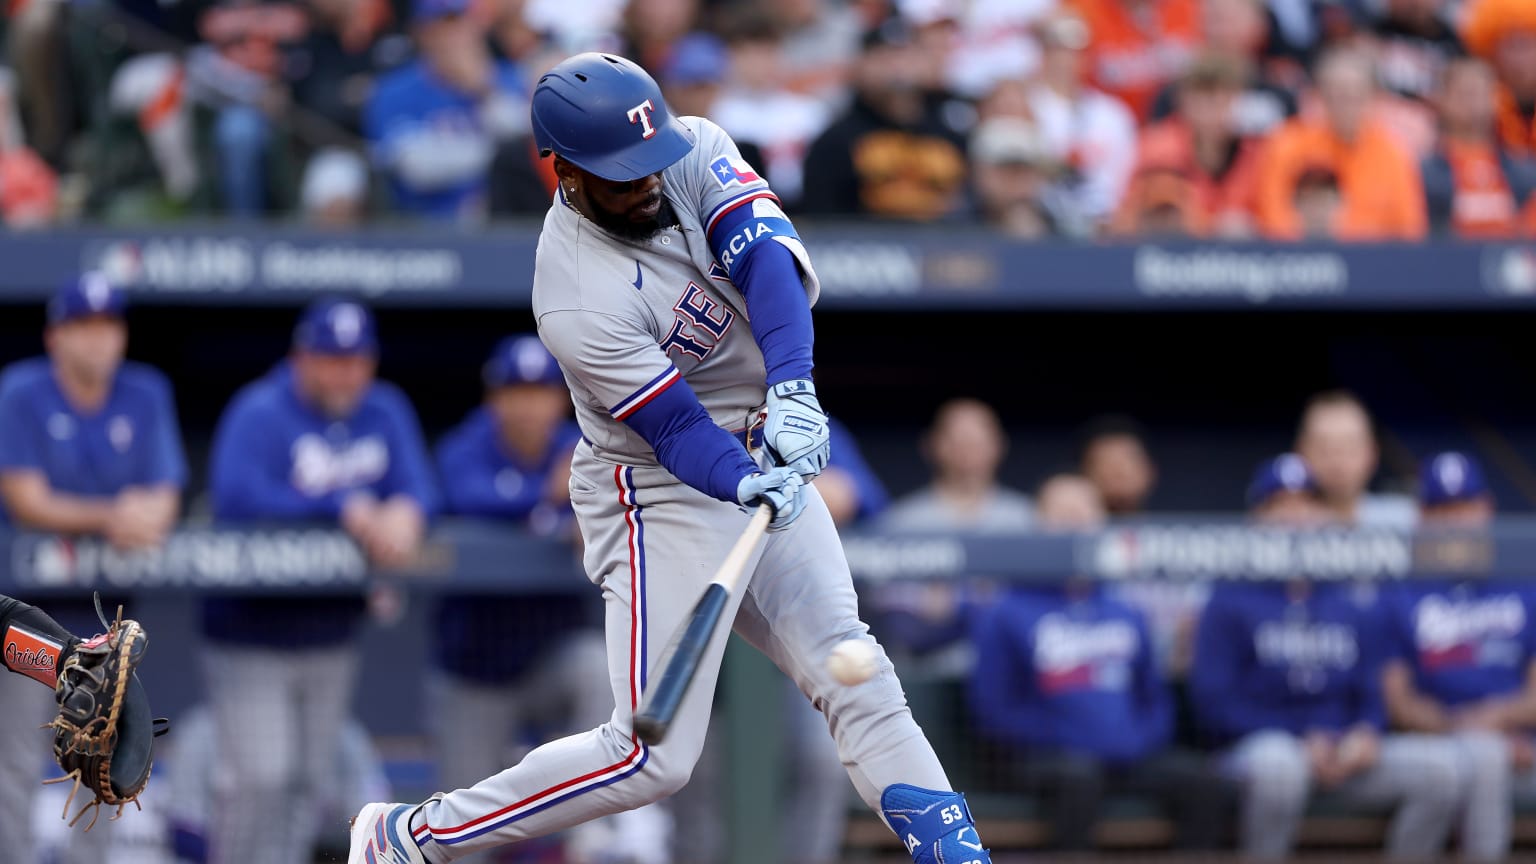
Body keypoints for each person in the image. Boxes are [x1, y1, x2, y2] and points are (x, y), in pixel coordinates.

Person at [347, 52, 995, 864]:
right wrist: (741, 476)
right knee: (650, 756)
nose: (647, 184)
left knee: (856, 672)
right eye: (621, 176)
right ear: (566, 174)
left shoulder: (689, 146)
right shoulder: (573, 290)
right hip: (656, 488)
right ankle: (412, 835)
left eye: (648, 164)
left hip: (764, 430)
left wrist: (794, 388)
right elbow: (678, 432)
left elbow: (767, 263)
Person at [206, 297, 437, 864]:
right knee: (262, 777)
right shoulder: (260, 409)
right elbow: (234, 495)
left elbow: (422, 487)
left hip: (331, 631)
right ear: (301, 357)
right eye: (331, 358)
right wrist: (341, 506)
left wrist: (407, 510)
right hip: (250, 633)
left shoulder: (384, 409)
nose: (345, 371)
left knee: (307, 781)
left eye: (356, 359)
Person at [431, 334, 670, 864]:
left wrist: (583, 519)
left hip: (549, 658)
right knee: (462, 833)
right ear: (494, 398)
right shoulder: (465, 447)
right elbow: (464, 497)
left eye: (540, 392)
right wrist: (547, 500)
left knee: (593, 665)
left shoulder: (584, 443)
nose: (528, 405)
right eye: (515, 391)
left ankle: (595, 828)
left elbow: (630, 503)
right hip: (474, 670)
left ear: (559, 399)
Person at [1188, 454, 1463, 861]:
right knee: (1280, 768)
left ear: (1325, 514)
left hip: (1342, 752)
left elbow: (1372, 691)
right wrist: (1301, 737)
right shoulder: (1229, 596)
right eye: (1279, 505)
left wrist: (1366, 733)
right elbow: (1213, 705)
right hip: (1259, 750)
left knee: (1441, 772)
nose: (1296, 517)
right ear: (1256, 519)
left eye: (1307, 503)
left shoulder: (1351, 596)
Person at [0, 273, 185, 864]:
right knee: (14, 767)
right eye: (84, 326)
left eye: (109, 325)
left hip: (111, 622)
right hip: (28, 615)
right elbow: (26, 500)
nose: (99, 340)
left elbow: (166, 498)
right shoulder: (21, 389)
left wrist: (136, 516)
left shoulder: (146, 390)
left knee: (102, 766)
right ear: (56, 336)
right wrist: (113, 516)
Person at [969, 474, 1234, 852]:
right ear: (1037, 528)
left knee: (1203, 784)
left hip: (1126, 756)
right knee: (1079, 778)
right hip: (1045, 760)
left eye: (1085, 514)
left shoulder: (1124, 609)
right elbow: (993, 710)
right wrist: (1074, 738)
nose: (1076, 525)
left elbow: (1154, 700)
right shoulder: (1006, 609)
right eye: (1063, 515)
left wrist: (1134, 740)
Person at [1379, 451, 1531, 862]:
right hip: (1437, 745)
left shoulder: (1523, 580)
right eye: (1441, 510)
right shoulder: (1400, 591)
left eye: (1464, 507)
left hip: (1521, 749)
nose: (1454, 521)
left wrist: (1496, 721)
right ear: (1422, 519)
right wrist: (1462, 728)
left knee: (1486, 753)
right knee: (1480, 754)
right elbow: (1397, 700)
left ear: (1487, 509)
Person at [365, 0, 527, 221]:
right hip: (425, 226)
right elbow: (416, 168)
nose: (453, 35)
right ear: (420, 33)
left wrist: (484, 90)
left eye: (459, 23)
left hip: (504, 219)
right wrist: (496, 157)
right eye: (441, 26)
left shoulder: (509, 78)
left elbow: (530, 144)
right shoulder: (394, 90)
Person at [798, 15, 968, 220]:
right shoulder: (835, 142)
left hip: (939, 247)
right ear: (861, 66)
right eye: (884, 57)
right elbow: (824, 223)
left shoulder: (952, 135)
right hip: (863, 248)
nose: (897, 68)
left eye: (906, 55)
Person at [1255, 47, 1429, 239]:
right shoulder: (1288, 143)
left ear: (1374, 98)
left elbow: (1410, 230)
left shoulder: (1393, 154)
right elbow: (1272, 217)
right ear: (1319, 96)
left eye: (1356, 95)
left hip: (1374, 262)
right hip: (1307, 260)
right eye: (1336, 94)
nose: (1346, 104)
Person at [1117, 53, 1266, 238]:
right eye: (1200, 99)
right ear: (1183, 101)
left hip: (1241, 262)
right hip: (1172, 257)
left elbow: (1273, 216)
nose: (1208, 111)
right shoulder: (1158, 148)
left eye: (1219, 100)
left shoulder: (1256, 153)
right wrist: (1209, 226)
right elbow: (1133, 218)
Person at [1421, 56, 1536, 237]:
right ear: (1442, 100)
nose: (1475, 102)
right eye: (1466, 93)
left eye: (1484, 92)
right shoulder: (1422, 173)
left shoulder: (1525, 171)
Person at [1294, 390, 1418, 528]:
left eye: (1349, 447)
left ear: (1372, 452)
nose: (1337, 461)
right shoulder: (1281, 526)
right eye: (1324, 449)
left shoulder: (1412, 522)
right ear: (1301, 452)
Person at [1460, 0, 1536, 158]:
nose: (1520, 58)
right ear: (1491, 49)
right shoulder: (1482, 104)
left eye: (1527, 45)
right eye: (1510, 46)